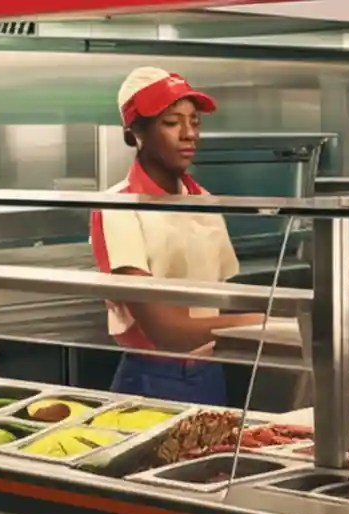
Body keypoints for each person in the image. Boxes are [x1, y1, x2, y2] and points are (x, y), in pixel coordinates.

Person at [90, 67, 262, 405]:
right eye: (171, 123)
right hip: (152, 379)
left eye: (194, 121)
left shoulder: (203, 199)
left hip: (211, 372)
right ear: (133, 133)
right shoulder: (118, 207)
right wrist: (263, 323)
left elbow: (221, 296)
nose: (189, 134)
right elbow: (165, 330)